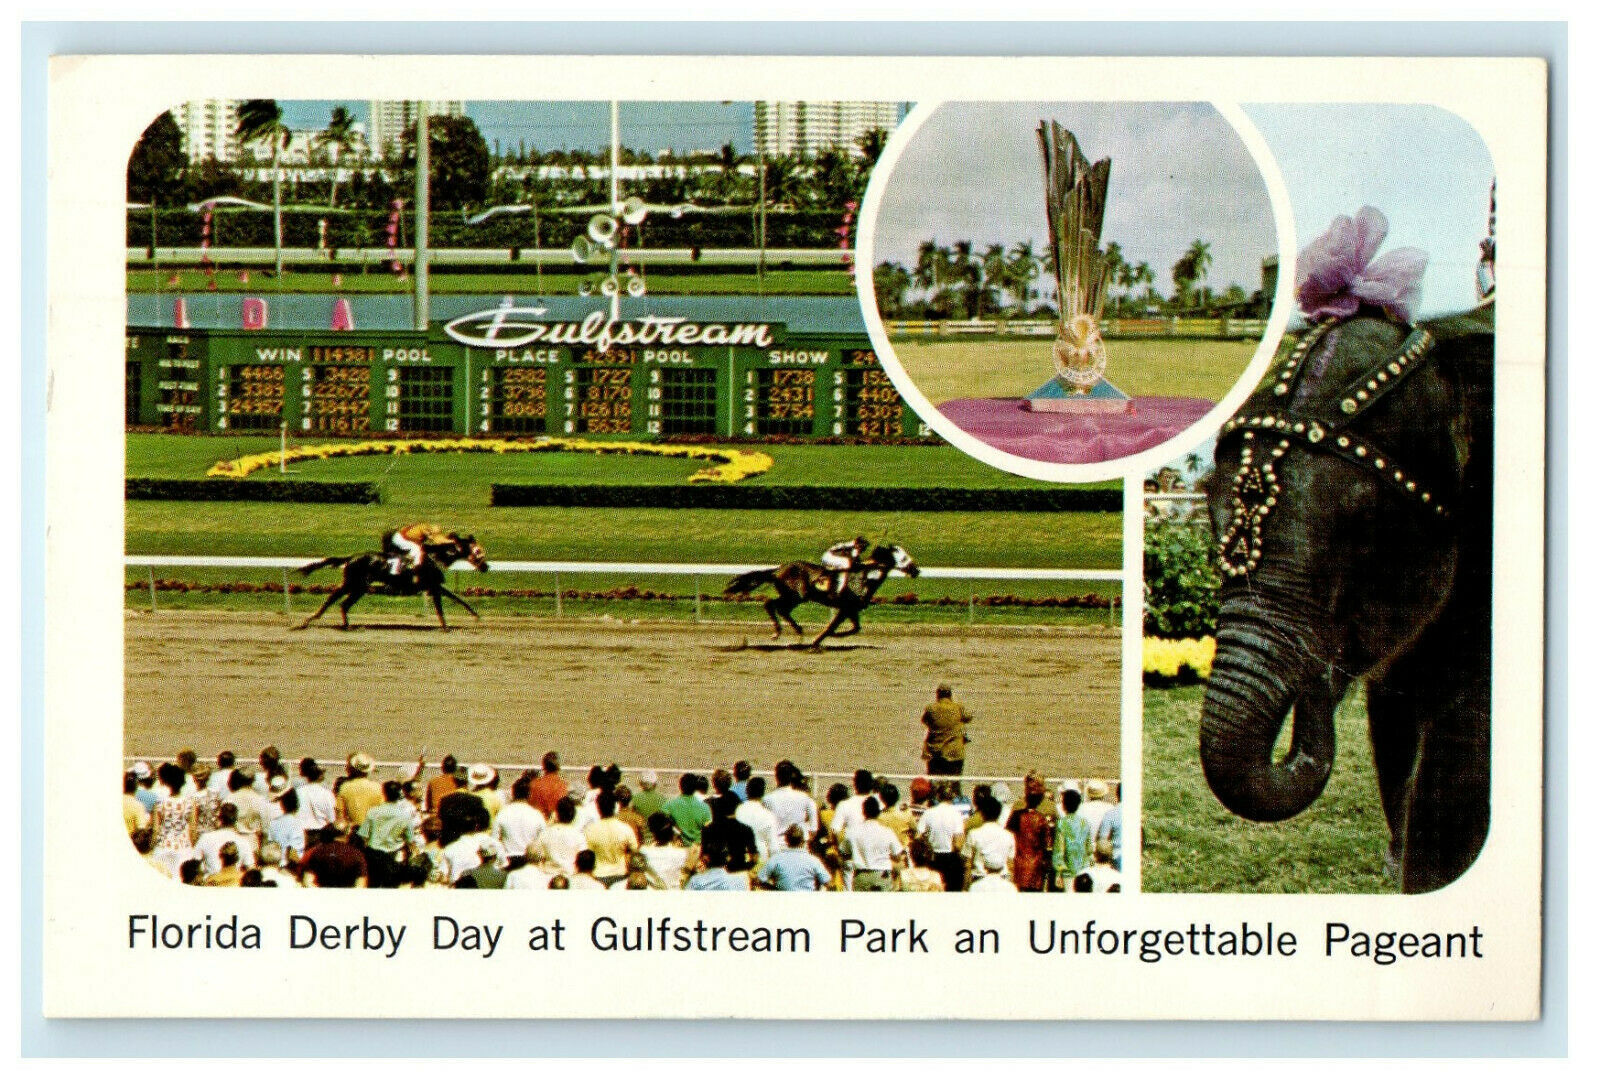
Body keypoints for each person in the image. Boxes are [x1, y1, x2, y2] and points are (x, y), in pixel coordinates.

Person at [358, 780, 420, 887]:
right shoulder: (405, 815)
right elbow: (410, 841)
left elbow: (363, 836)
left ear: (384, 793)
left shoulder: (373, 812)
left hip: (374, 857)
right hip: (394, 857)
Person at [842, 796, 904, 892]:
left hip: (861, 876)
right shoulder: (887, 832)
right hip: (882, 876)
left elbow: (844, 853)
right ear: (879, 812)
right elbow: (898, 856)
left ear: (863, 812)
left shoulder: (852, 832)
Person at [755, 825, 831, 892]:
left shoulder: (776, 859)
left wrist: (774, 890)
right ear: (803, 841)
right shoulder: (813, 860)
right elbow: (827, 882)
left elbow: (759, 880)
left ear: (786, 840)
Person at [921, 683, 973, 778]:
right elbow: (968, 718)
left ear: (937, 695)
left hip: (936, 753)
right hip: (955, 753)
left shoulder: (931, 708)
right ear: (950, 695)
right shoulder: (958, 707)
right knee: (955, 784)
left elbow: (924, 721)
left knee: (935, 784)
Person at [963, 793, 1015, 886]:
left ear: (982, 813)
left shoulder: (973, 834)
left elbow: (968, 863)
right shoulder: (1009, 835)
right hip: (1002, 879)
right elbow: (1010, 864)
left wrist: (965, 887)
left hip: (979, 878)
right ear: (999, 813)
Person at [1052, 787, 1093, 889]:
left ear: (1064, 805)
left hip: (1068, 871)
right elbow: (1089, 848)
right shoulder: (1085, 823)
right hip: (1084, 870)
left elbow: (1059, 851)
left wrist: (1058, 872)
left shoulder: (1062, 823)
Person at [383, 522, 452, 576]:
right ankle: (415, 567)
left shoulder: (427, 528)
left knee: (418, 547)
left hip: (402, 537)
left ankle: (410, 562)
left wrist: (448, 541)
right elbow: (434, 539)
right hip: (400, 538)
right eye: (435, 533)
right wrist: (449, 541)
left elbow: (436, 538)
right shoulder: (425, 528)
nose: (435, 534)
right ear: (432, 529)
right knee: (417, 549)